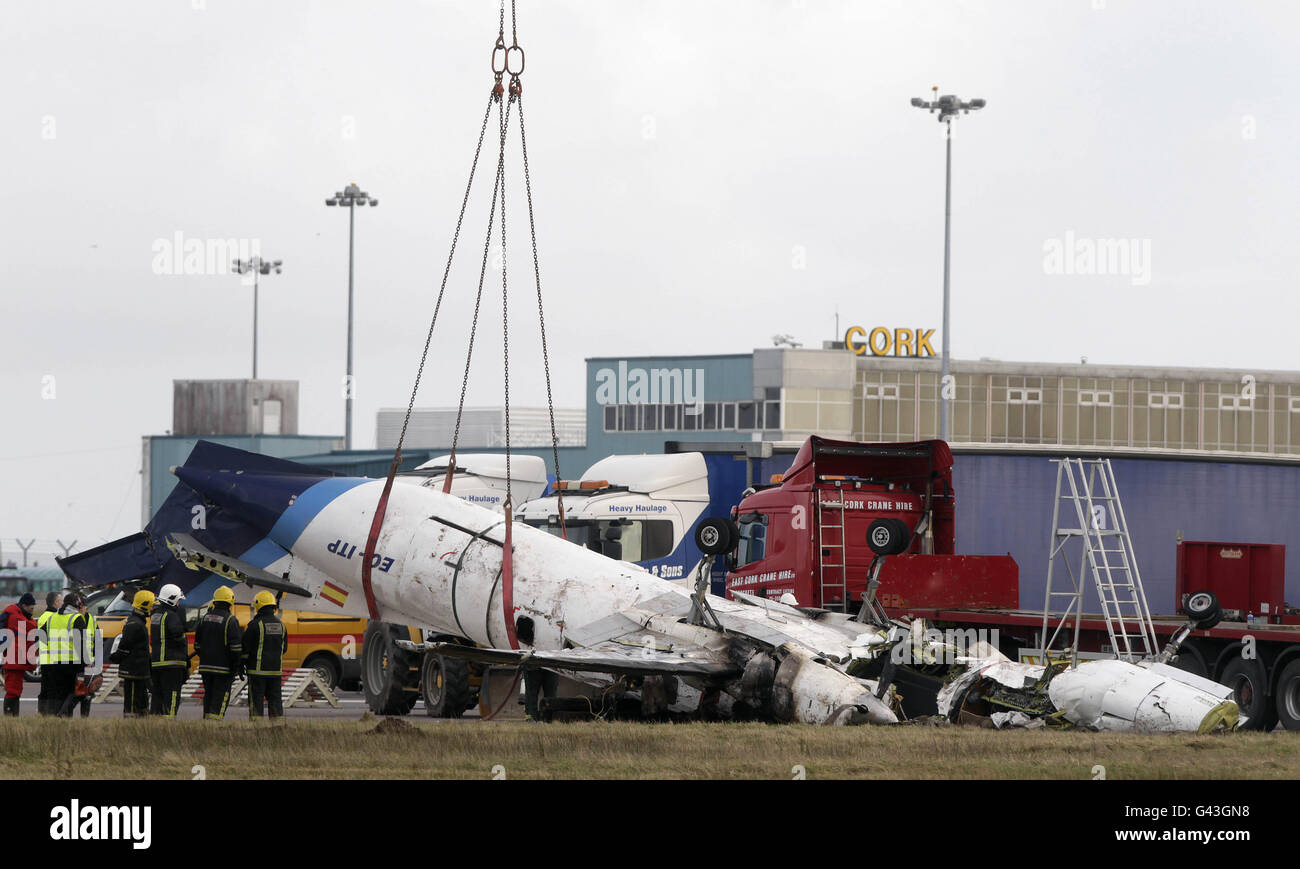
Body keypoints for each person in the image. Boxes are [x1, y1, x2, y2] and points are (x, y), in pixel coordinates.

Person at [194, 586, 243, 720]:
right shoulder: (230, 620)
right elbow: (235, 649)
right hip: (223, 669)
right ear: (230, 601)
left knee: (209, 695)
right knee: (220, 697)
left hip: (205, 667)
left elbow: (197, 645)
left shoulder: (204, 618)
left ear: (215, 600)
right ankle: (214, 723)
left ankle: (207, 721)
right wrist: (235, 667)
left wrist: (206, 657)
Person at [40, 592, 87, 717]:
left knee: (59, 694)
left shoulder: (52, 617)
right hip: (73, 662)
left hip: (55, 662)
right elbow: (81, 644)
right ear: (77, 604)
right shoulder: (76, 618)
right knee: (75, 692)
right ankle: (64, 715)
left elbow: (40, 635)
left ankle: (57, 720)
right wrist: (85, 663)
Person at [242, 591, 286, 720]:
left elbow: (245, 650)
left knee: (256, 702)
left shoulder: (255, 625)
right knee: (276, 701)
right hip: (275, 672)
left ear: (258, 605)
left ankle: (257, 726)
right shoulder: (282, 626)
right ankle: (277, 726)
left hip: (257, 673)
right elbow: (284, 649)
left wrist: (241, 665)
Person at [110, 590, 154, 717]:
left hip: (139, 671)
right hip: (134, 671)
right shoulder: (135, 624)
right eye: (151, 605)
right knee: (133, 704)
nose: (152, 608)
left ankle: (140, 721)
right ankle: (131, 723)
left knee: (140, 701)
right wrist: (116, 657)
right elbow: (125, 646)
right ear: (144, 606)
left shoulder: (136, 622)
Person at [149, 584, 189, 719]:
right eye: (178, 600)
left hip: (157, 663)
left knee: (158, 695)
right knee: (172, 695)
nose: (179, 604)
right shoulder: (172, 616)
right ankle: (169, 721)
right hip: (172, 664)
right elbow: (178, 637)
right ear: (172, 599)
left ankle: (155, 721)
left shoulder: (156, 615)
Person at [59, 594, 99, 718]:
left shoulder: (91, 620)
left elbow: (97, 641)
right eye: (80, 607)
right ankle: (65, 715)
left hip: (89, 663)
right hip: (76, 662)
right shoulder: (73, 619)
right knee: (78, 692)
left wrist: (96, 662)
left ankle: (83, 718)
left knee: (87, 694)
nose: (82, 609)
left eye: (83, 607)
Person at [1, 593, 39, 716]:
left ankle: (13, 717)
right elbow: (30, 626)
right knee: (13, 691)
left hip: (18, 660)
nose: (32, 611)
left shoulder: (17, 614)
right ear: (24, 606)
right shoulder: (15, 616)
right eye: (31, 608)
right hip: (14, 660)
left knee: (16, 691)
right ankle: (10, 718)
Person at [34, 591, 63, 715]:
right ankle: (50, 712)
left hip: (45, 657)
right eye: (61, 601)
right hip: (53, 657)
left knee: (45, 687)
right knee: (52, 688)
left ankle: (42, 711)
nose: (62, 603)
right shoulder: (53, 617)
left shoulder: (43, 616)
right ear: (56, 602)